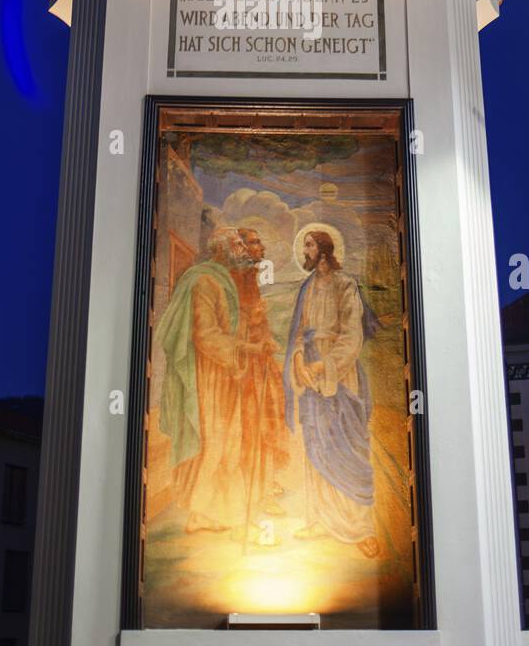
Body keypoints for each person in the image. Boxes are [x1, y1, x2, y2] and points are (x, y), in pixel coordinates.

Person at [155, 226, 274, 536]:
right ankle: (199, 512)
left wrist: (254, 326)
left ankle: (218, 510)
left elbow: (230, 325)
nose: (243, 250)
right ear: (221, 249)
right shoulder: (204, 280)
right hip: (209, 377)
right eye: (237, 245)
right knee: (214, 443)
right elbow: (206, 336)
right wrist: (249, 348)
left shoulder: (224, 281)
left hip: (227, 372)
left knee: (229, 443)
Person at [283, 229, 380, 558]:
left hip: (338, 375)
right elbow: (297, 333)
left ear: (323, 250)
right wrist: (299, 360)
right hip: (310, 376)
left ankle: (359, 527)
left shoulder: (345, 285)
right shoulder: (306, 288)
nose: (304, 252)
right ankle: (321, 519)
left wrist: (325, 366)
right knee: (316, 444)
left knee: (348, 446)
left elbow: (352, 336)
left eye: (308, 246)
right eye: (303, 246)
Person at [233, 227, 290, 519]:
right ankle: (257, 493)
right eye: (255, 242)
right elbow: (231, 327)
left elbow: (255, 323)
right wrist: (253, 321)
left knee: (268, 423)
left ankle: (265, 484)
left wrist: (264, 335)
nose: (261, 248)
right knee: (253, 428)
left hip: (260, 365)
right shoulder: (235, 279)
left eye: (259, 241)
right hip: (245, 370)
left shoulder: (250, 278)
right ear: (241, 247)